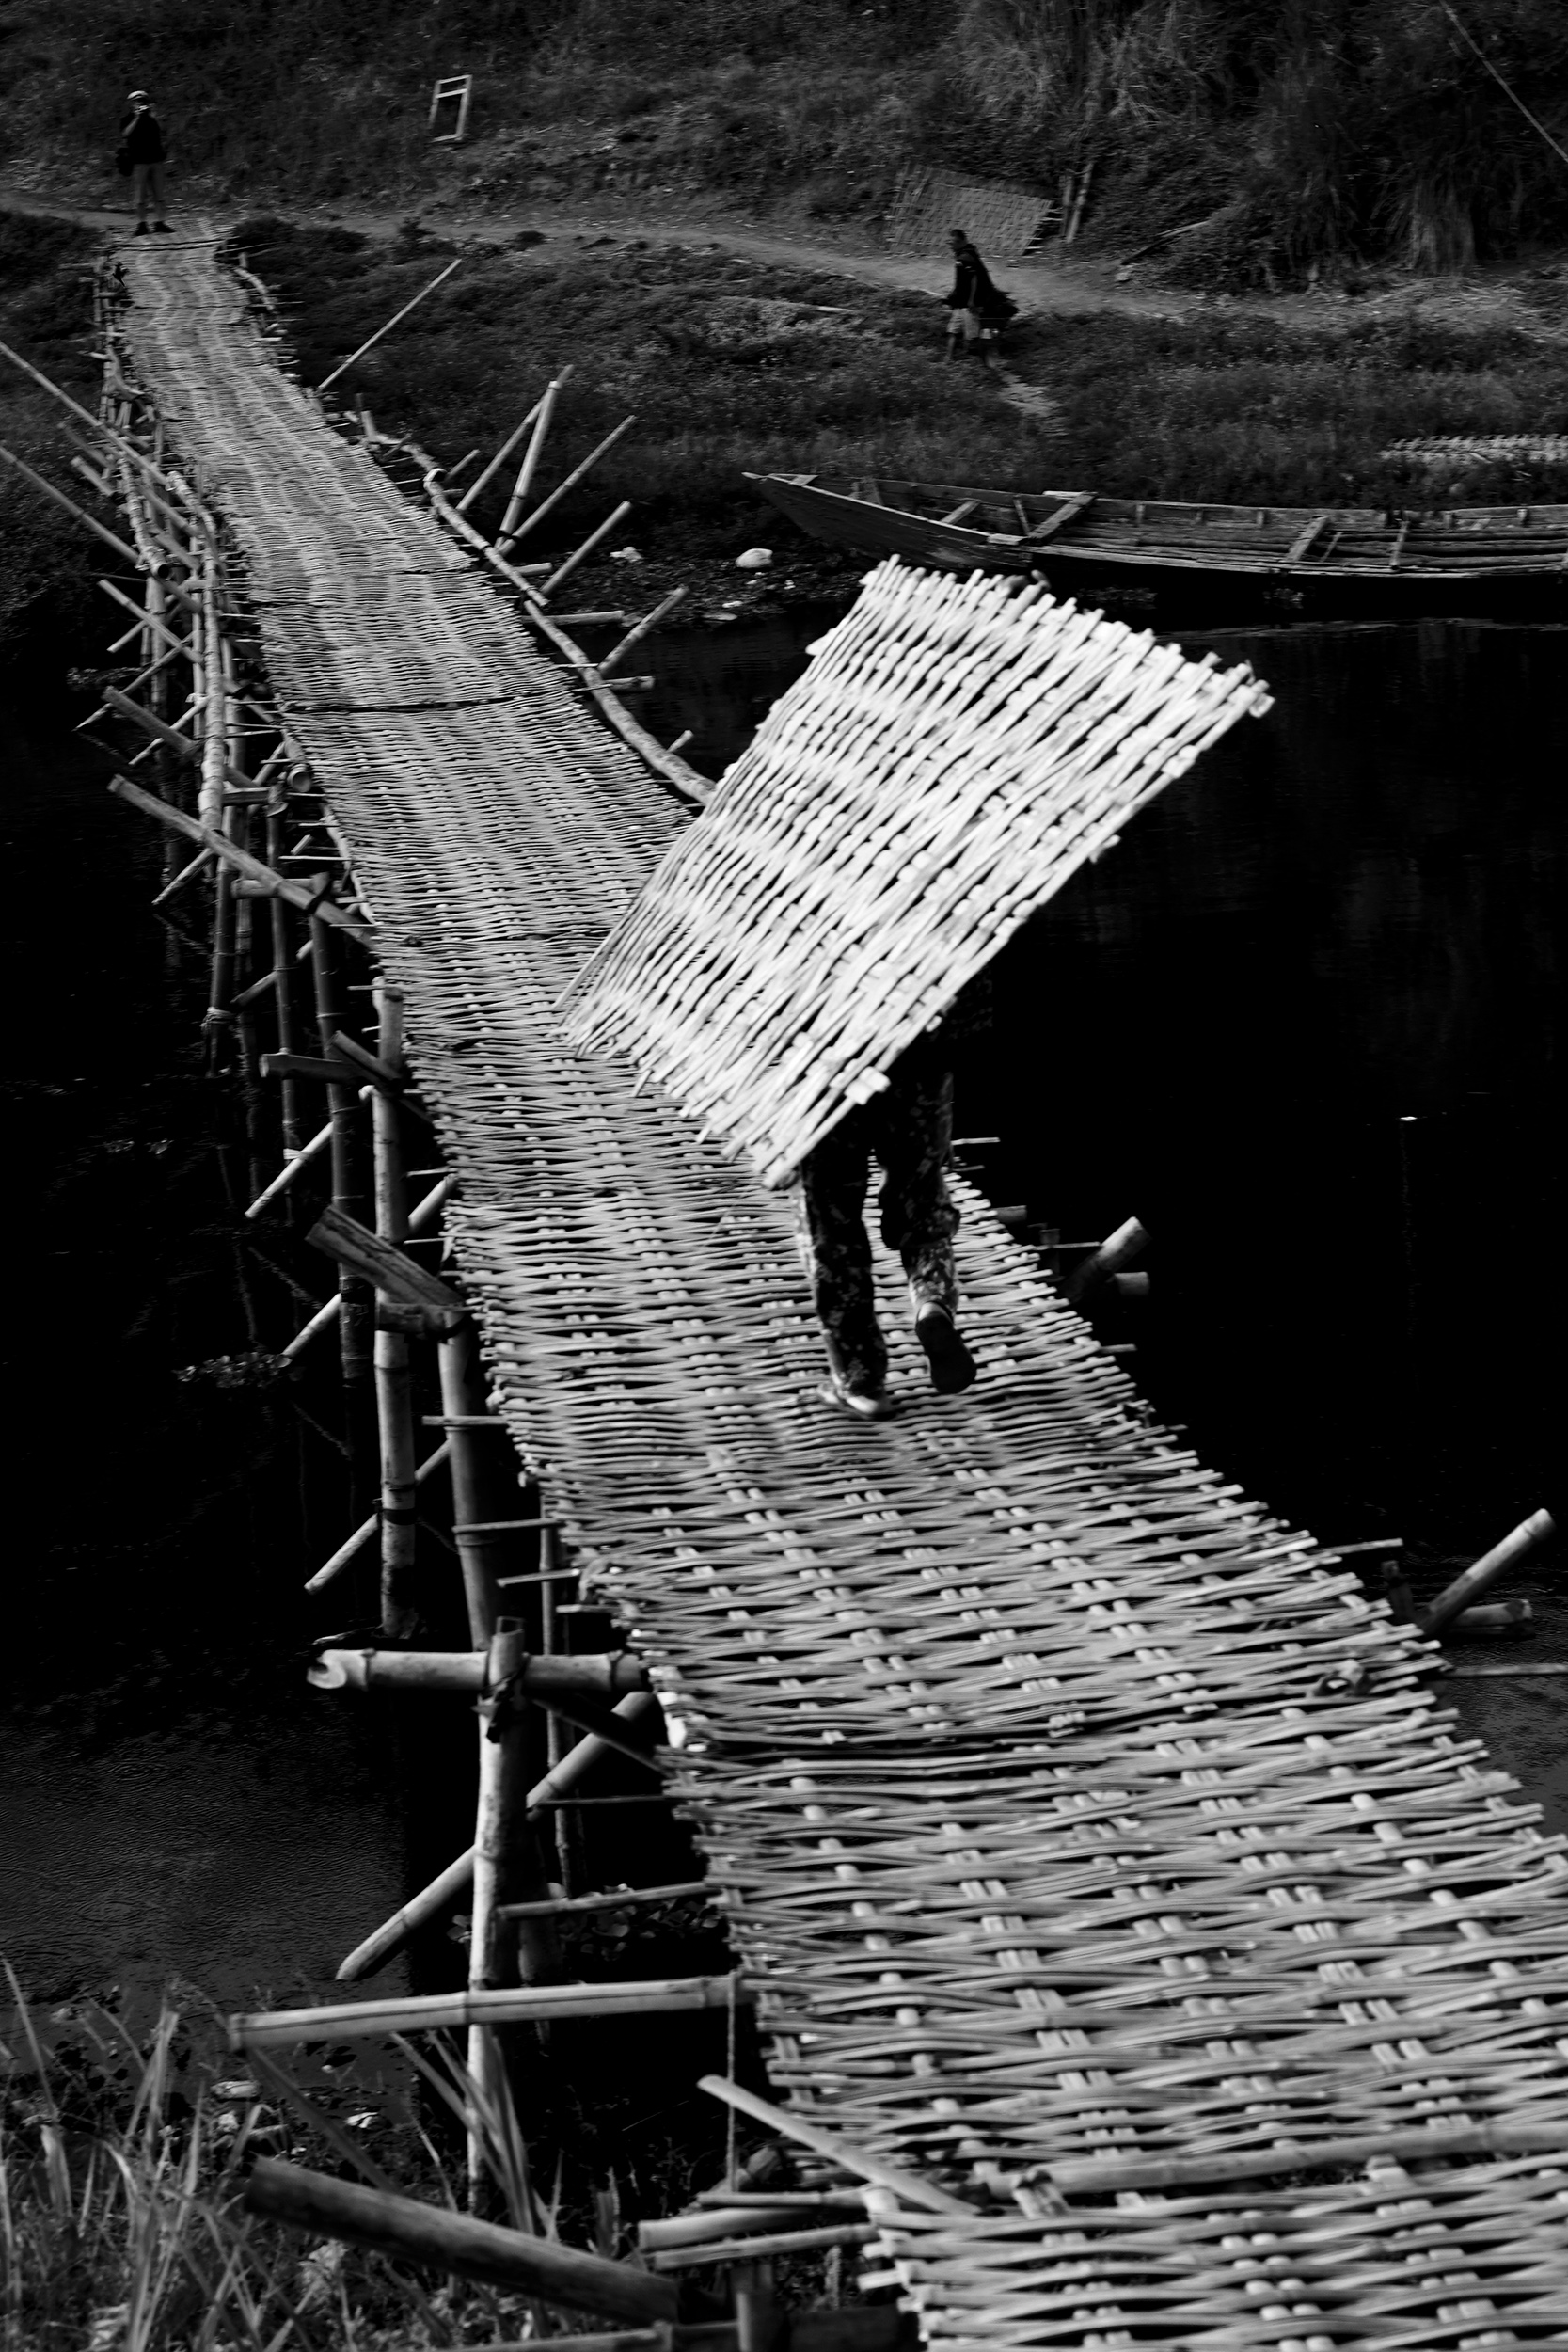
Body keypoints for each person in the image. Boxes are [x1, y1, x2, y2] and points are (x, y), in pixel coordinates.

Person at [794, 981, 987, 1419]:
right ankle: (932, 1301)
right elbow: (973, 1015)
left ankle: (862, 1380)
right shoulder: (933, 918)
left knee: (831, 1221)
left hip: (825, 1059)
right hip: (919, 1058)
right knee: (921, 1198)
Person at [942, 228, 1009, 373]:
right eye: (950, 243)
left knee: (973, 338)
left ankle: (985, 367)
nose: (951, 245)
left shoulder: (965, 258)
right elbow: (962, 282)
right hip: (961, 303)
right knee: (952, 331)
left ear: (961, 242)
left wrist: (972, 300)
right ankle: (948, 359)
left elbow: (974, 278)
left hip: (968, 304)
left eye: (953, 243)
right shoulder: (965, 256)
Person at [119, 92, 170, 234]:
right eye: (136, 102)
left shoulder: (152, 117)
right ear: (131, 104)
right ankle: (142, 224)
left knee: (159, 195)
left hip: (156, 160)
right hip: (139, 162)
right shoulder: (127, 119)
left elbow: (163, 130)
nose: (140, 104)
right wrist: (136, 117)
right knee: (140, 196)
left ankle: (160, 223)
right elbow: (125, 133)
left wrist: (155, 116)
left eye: (142, 102)